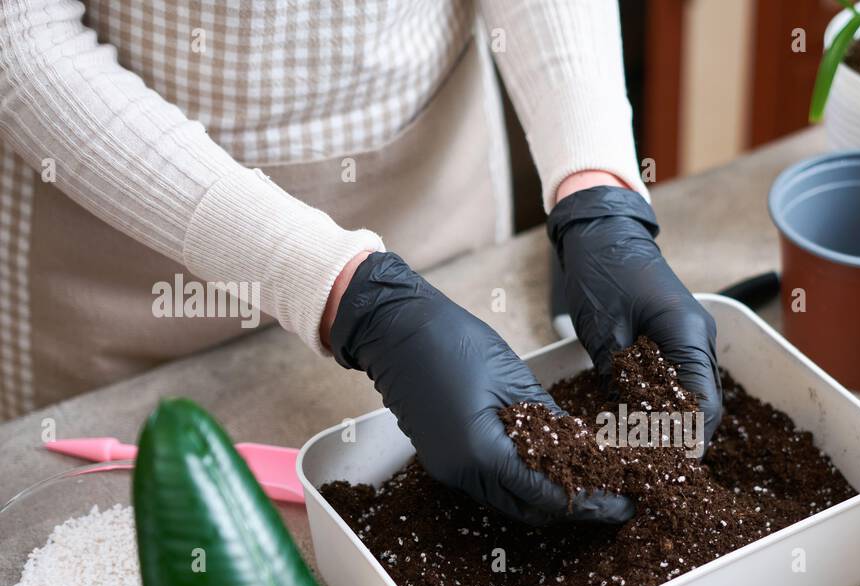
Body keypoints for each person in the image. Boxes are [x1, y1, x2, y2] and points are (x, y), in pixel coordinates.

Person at [0, 0, 721, 524]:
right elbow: (20, 37)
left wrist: (594, 186)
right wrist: (356, 296)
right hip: (132, 226)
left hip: (428, 197)